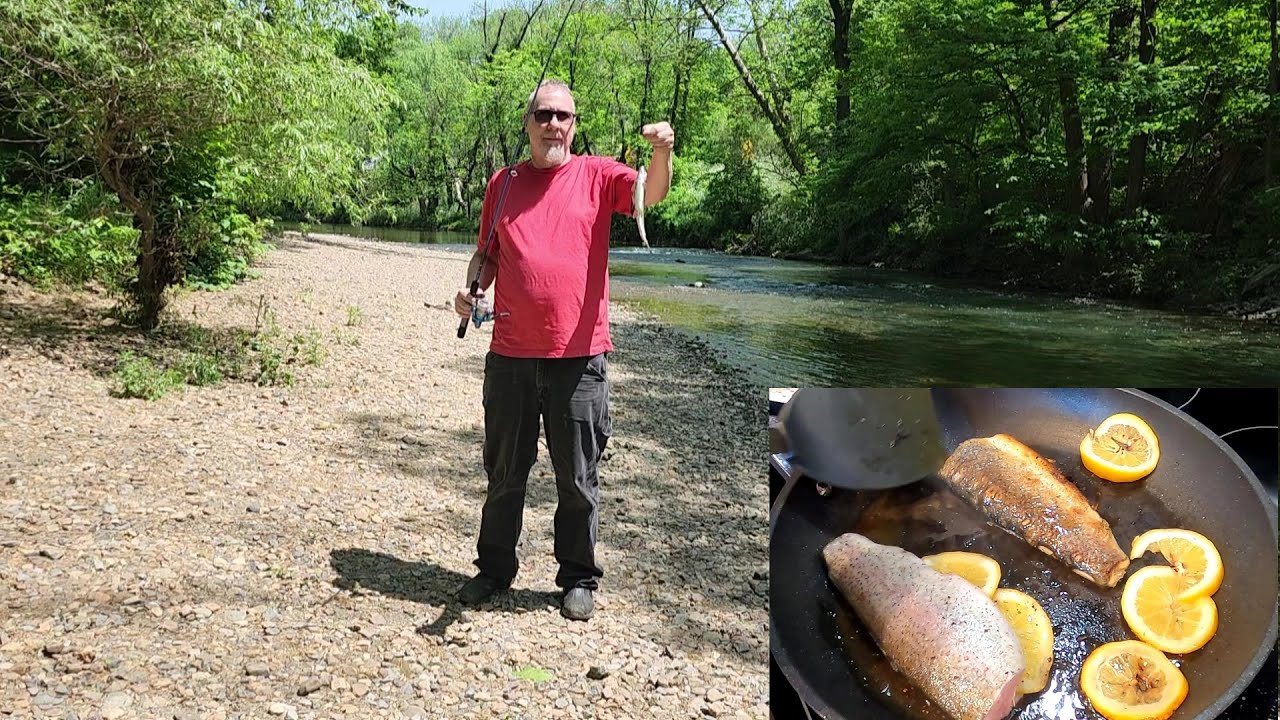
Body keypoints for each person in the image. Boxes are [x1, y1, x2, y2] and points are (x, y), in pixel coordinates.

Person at [452, 79, 674, 621]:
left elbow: (652, 194)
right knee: (505, 471)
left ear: (574, 125)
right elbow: (487, 256)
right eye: (544, 114)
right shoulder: (501, 185)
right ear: (528, 123)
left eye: (564, 116)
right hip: (510, 355)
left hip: (580, 359)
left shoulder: (599, 175)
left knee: (577, 477)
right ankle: (494, 569)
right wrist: (469, 293)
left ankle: (577, 578)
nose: (554, 124)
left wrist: (662, 152)